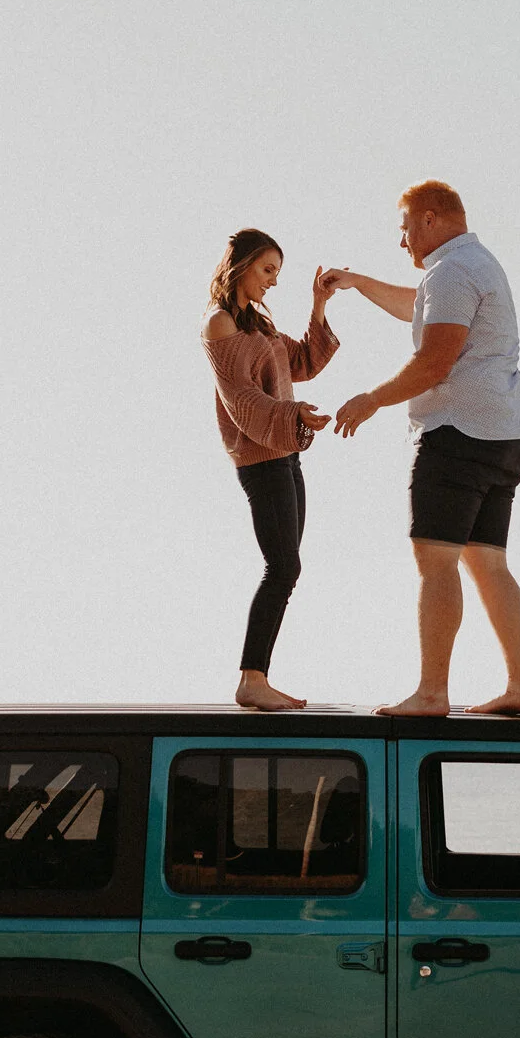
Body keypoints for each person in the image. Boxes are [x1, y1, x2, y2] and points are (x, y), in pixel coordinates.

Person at [327, 182, 520, 716]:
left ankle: (432, 693)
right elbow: (415, 305)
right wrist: (356, 283)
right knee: (488, 562)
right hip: (504, 435)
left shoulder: (451, 273)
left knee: (435, 559)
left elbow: (434, 362)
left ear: (429, 218)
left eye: (403, 228)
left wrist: (370, 400)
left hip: (456, 432)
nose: (401, 240)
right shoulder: (472, 265)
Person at [203, 229, 339, 711]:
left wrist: (318, 305)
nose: (272, 282)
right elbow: (241, 399)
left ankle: (255, 677)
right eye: (267, 270)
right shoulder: (219, 324)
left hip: (285, 453)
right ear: (239, 265)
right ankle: (251, 679)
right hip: (260, 457)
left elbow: (300, 361)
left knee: (287, 568)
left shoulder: (258, 324)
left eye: (277, 273)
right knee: (282, 566)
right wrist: (292, 413)